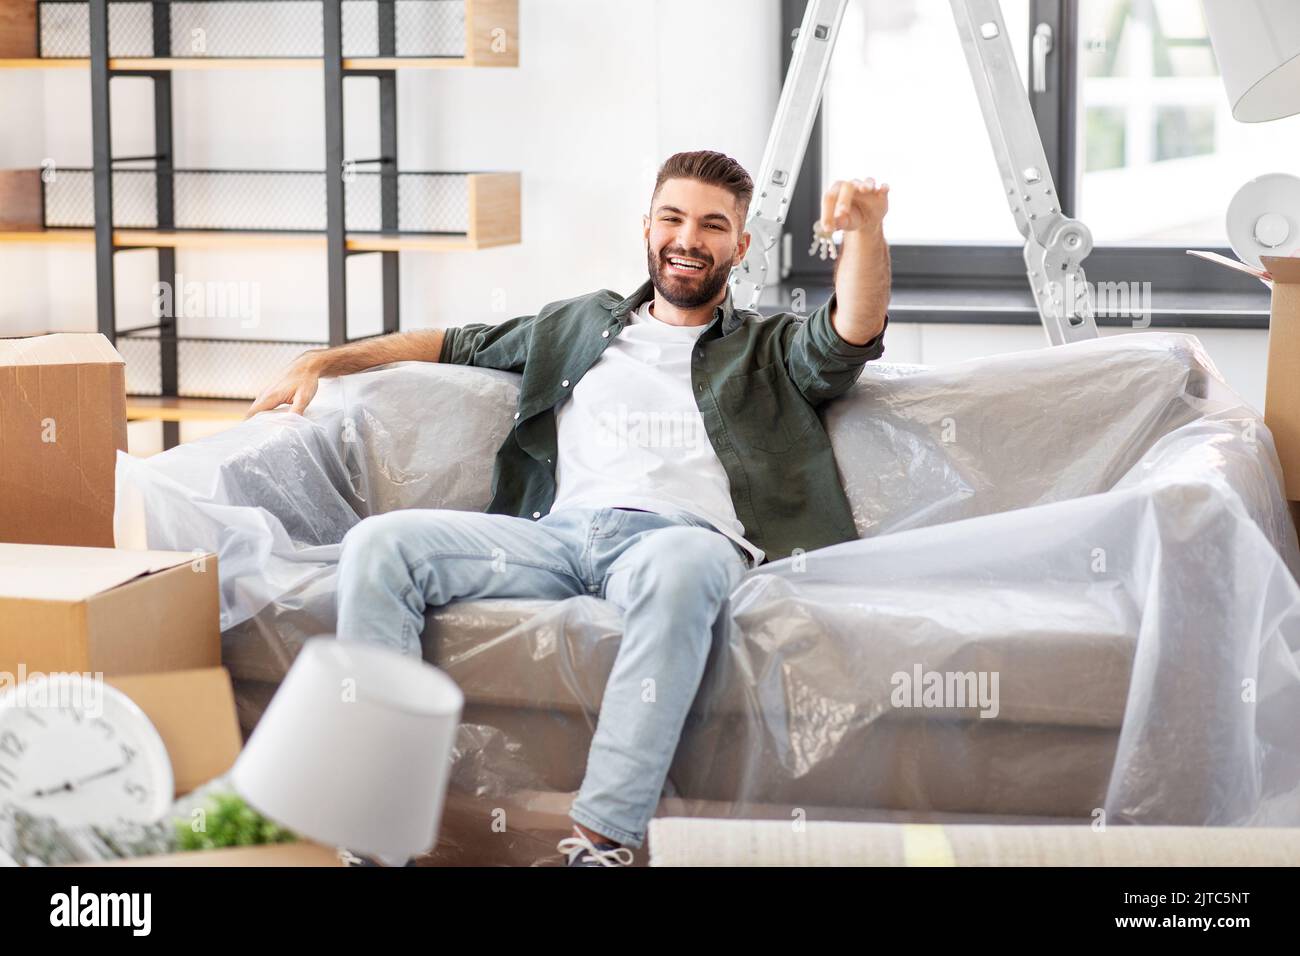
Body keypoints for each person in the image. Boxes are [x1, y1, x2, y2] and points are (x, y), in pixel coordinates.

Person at [247, 150, 891, 866]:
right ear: (647, 227)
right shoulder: (577, 324)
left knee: (681, 571)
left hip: (680, 541)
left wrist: (864, 233)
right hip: (555, 538)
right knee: (380, 546)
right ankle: (376, 833)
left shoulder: (769, 345)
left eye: (713, 226)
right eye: (673, 217)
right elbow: (450, 342)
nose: (688, 237)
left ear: (738, 248)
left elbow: (850, 334)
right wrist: (323, 361)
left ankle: (599, 841)